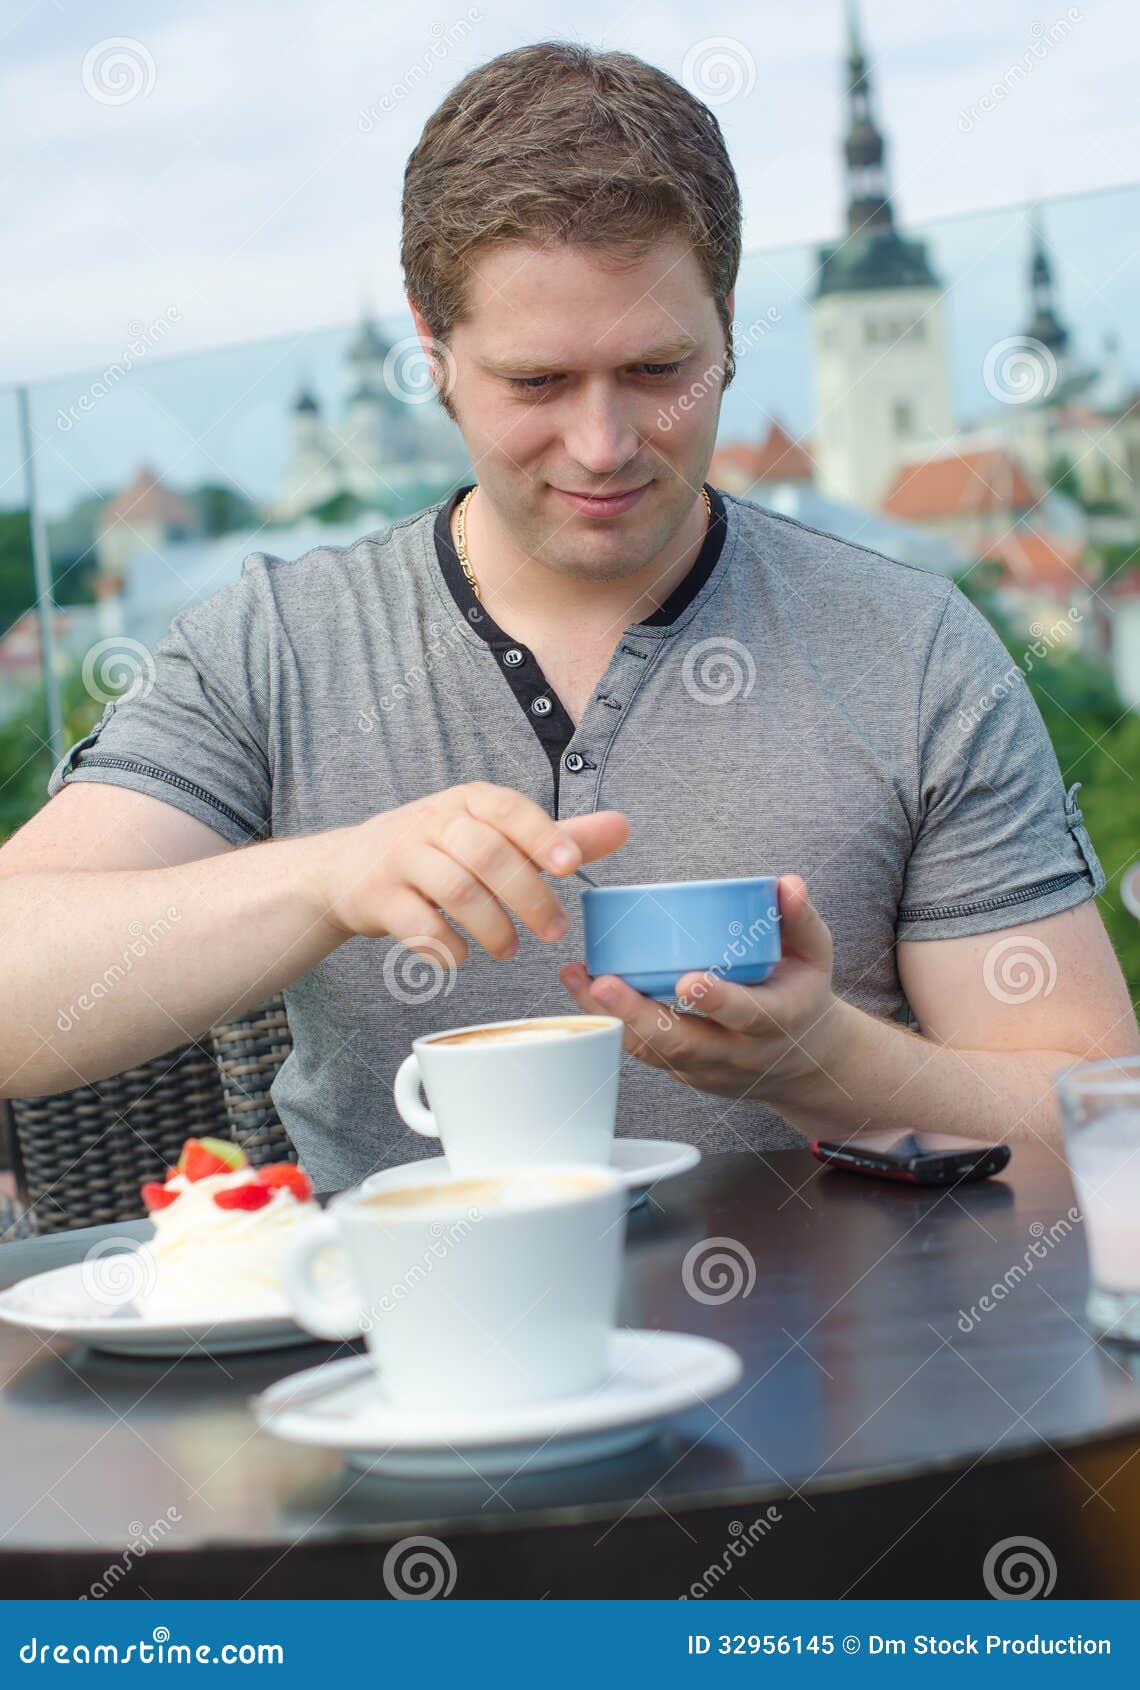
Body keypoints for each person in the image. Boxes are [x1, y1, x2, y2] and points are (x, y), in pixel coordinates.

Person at [1, 43, 1135, 1194]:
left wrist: (824, 1060)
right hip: (405, 1358)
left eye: (656, 368)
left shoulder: (913, 647)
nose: (603, 446)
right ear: (432, 353)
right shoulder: (277, 646)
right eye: (537, 383)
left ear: (730, 326)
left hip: (855, 1363)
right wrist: (329, 878)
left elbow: (1100, 1106)